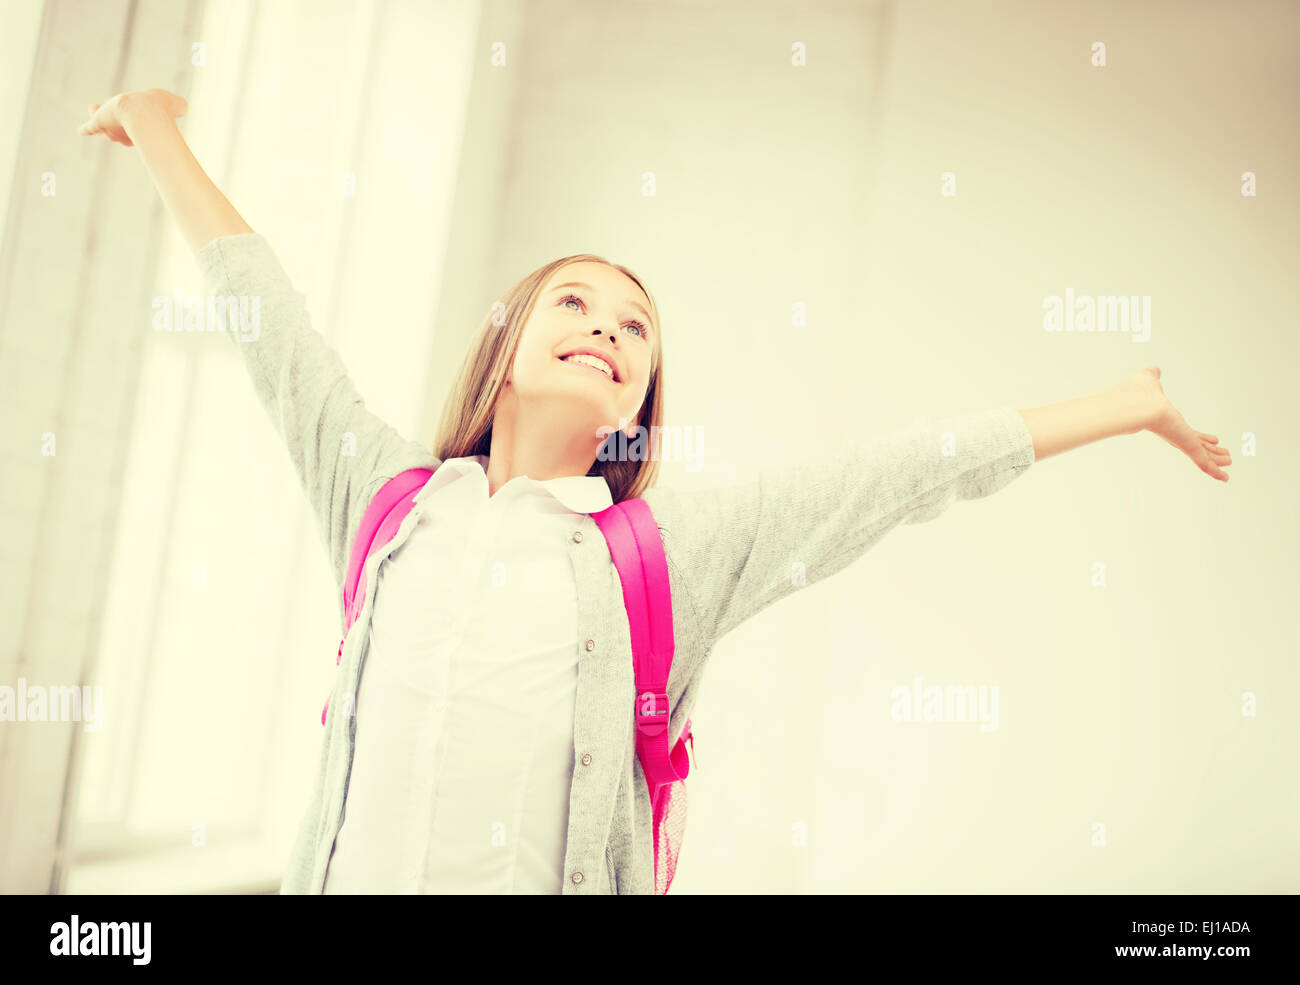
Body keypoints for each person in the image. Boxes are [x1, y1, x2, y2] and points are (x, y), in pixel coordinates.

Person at [77, 89, 1232, 894]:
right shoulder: (388, 502)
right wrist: (155, 128)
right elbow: (270, 326)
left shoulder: (669, 551)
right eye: (575, 304)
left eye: (635, 328)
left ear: (636, 402)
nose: (607, 330)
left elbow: (898, 475)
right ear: (506, 342)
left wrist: (1124, 402)